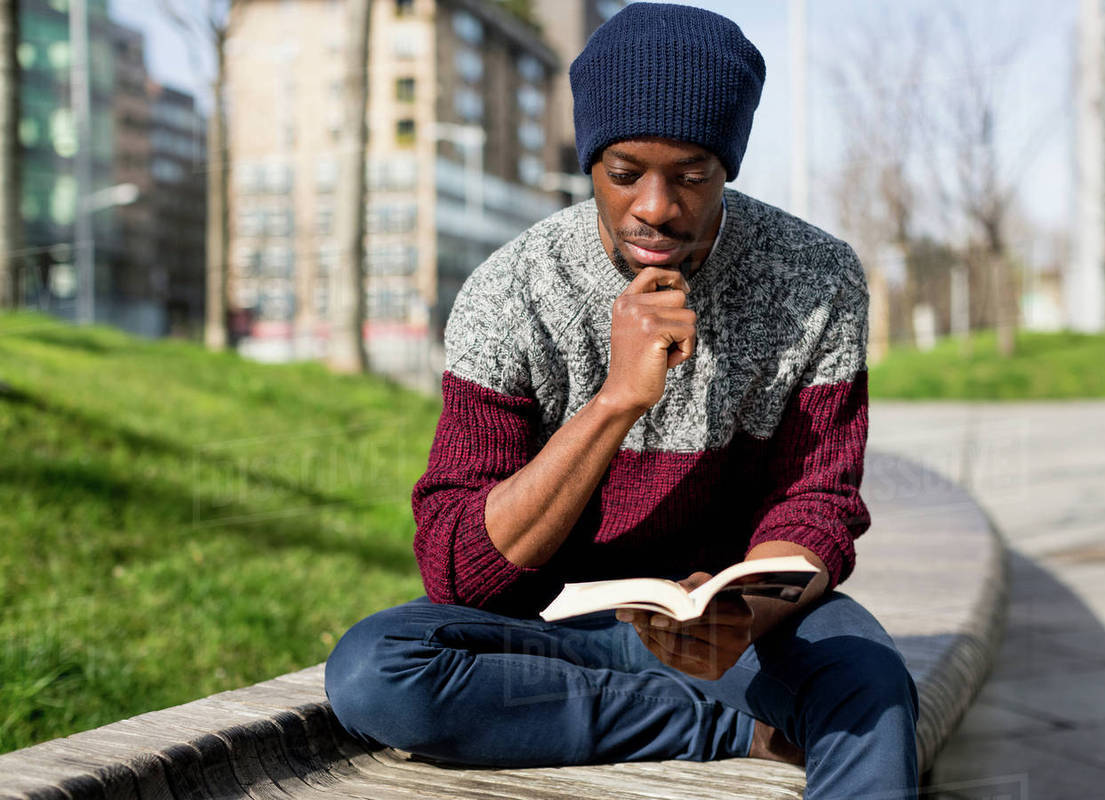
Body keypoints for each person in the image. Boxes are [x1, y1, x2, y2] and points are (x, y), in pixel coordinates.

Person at [325, 4, 919, 797]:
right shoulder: (513, 291)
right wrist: (616, 400)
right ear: (590, 162)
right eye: (624, 171)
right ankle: (721, 725)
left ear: (729, 165)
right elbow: (459, 571)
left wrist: (744, 620)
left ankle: (712, 698)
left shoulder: (816, 279)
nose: (655, 207)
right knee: (374, 670)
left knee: (874, 691)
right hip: (554, 630)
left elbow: (816, 501)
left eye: (691, 175)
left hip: (739, 636)